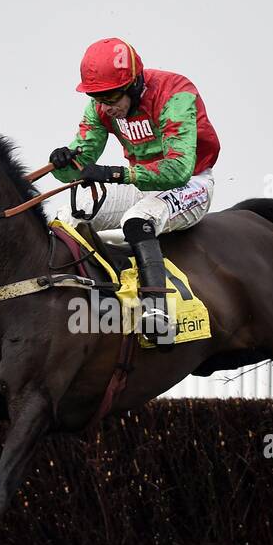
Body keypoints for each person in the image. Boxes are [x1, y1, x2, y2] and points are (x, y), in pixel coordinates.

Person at [49, 38, 220, 344]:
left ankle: (158, 310)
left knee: (138, 219)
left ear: (135, 83)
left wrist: (116, 173)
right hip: (141, 183)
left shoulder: (176, 94)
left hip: (190, 183)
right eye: (96, 96)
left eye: (112, 96)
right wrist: (63, 161)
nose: (106, 106)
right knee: (69, 217)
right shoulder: (101, 107)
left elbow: (177, 169)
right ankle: (75, 297)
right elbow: (82, 161)